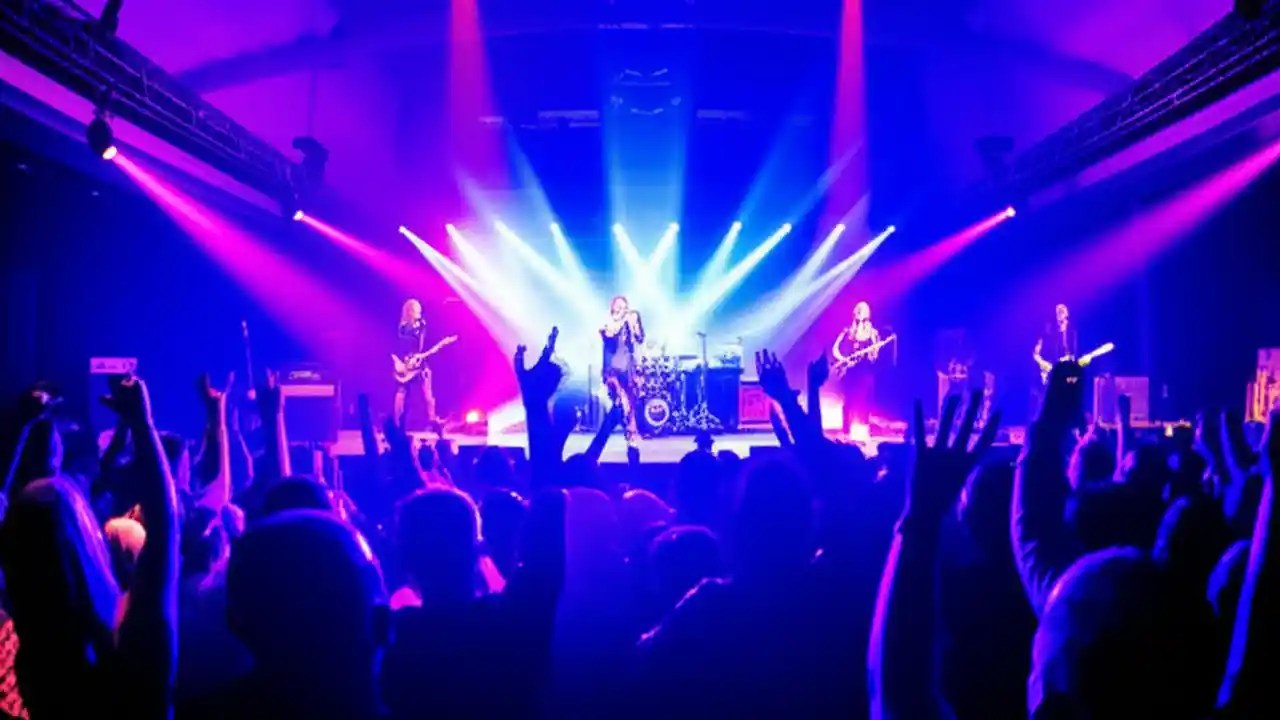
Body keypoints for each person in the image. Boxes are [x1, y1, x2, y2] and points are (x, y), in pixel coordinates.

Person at [832, 301, 884, 436]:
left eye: (864, 315)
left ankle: (866, 427)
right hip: (850, 370)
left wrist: (873, 354)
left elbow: (875, 354)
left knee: (867, 398)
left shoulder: (873, 333)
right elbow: (835, 349)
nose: (860, 319)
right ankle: (845, 430)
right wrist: (844, 359)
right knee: (847, 400)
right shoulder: (847, 331)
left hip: (865, 370)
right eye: (858, 314)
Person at [600, 295, 645, 447]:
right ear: (613, 307)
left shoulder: (629, 321)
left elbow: (639, 338)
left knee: (630, 402)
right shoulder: (608, 321)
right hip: (613, 367)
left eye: (624, 306)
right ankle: (626, 429)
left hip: (628, 367)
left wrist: (634, 324)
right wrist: (621, 318)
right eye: (618, 306)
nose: (622, 309)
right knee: (621, 400)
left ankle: (631, 432)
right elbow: (609, 334)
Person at [393, 298, 438, 430]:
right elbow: (418, 345)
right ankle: (431, 419)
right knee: (424, 392)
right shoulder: (414, 326)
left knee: (406, 392)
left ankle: (398, 422)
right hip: (412, 363)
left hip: (408, 362)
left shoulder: (402, 326)